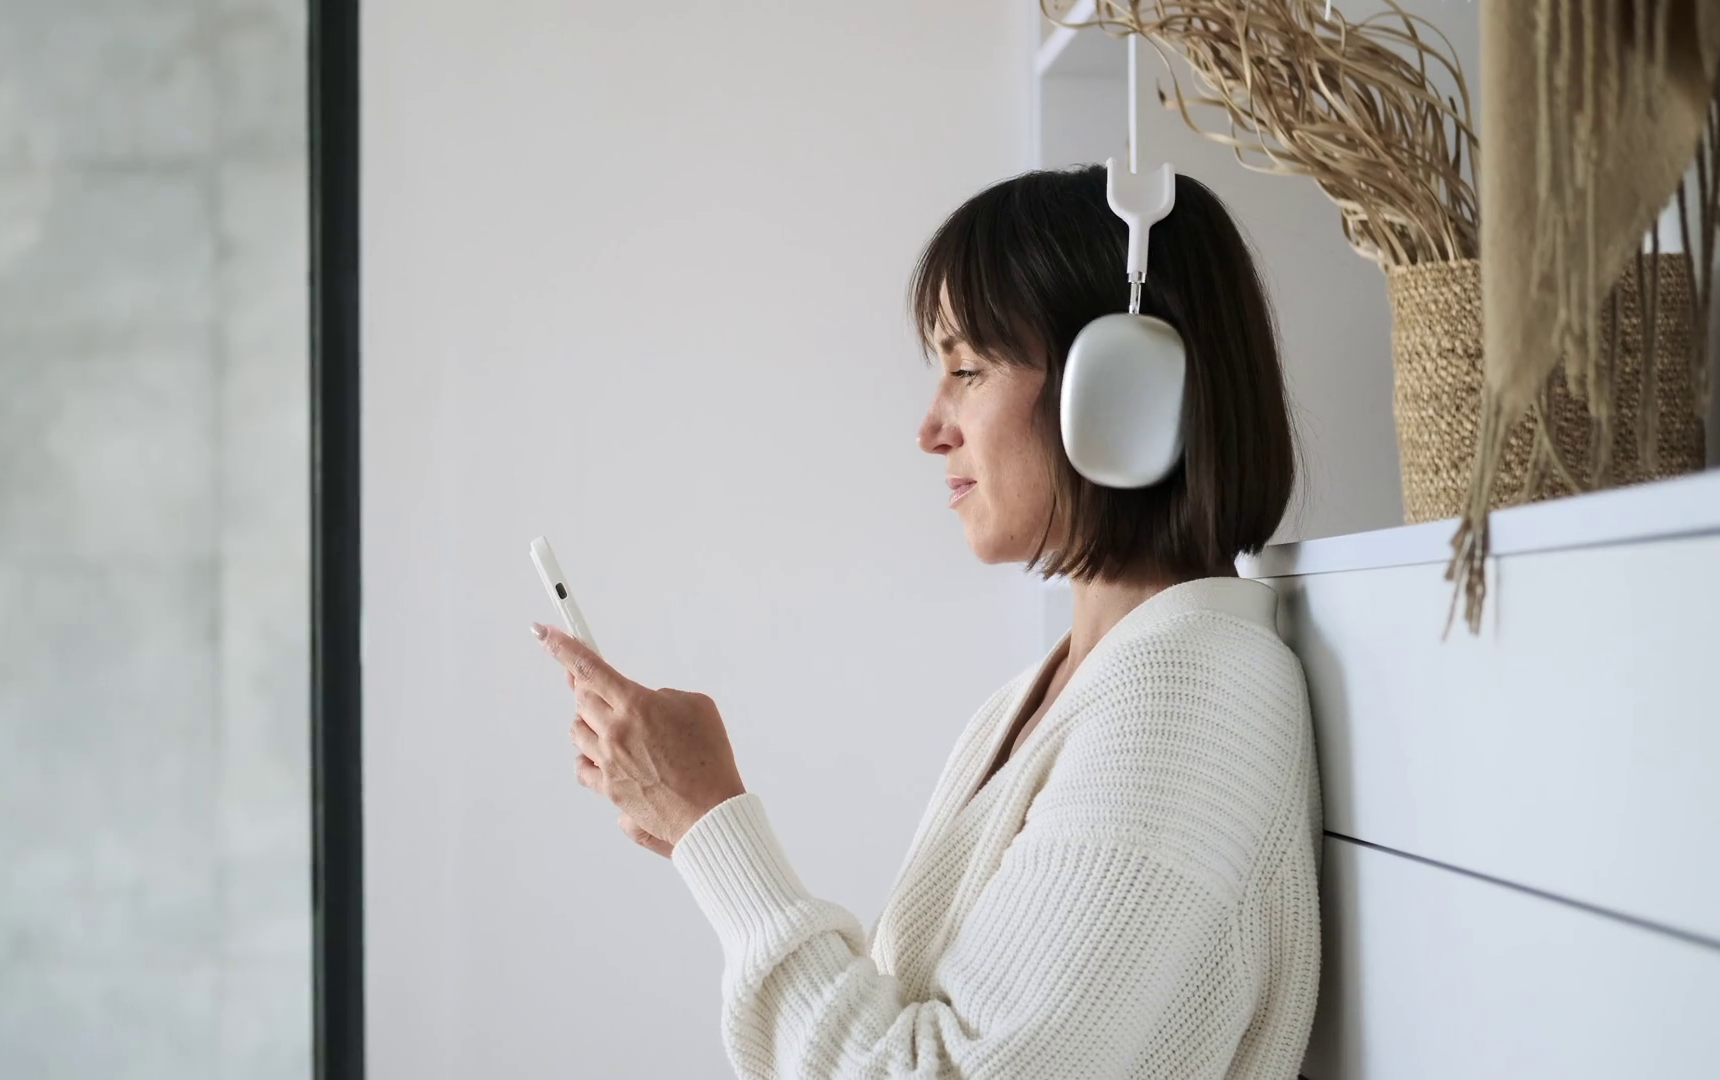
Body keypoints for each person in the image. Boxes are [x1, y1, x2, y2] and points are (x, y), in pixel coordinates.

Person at [533, 165, 1321, 1080]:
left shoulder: (1191, 707)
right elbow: (918, 1019)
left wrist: (712, 820)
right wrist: (690, 826)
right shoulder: (1063, 692)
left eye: (967, 368)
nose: (930, 428)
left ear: (1124, 386)